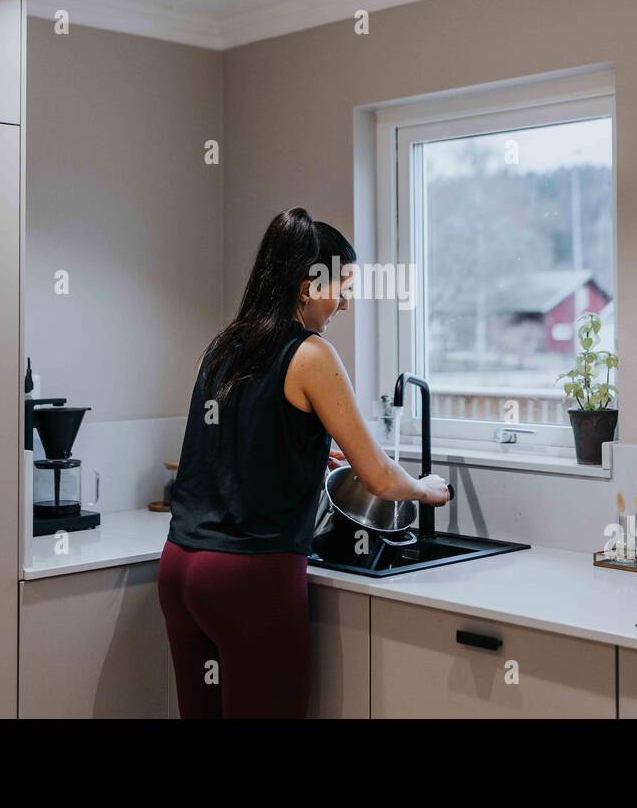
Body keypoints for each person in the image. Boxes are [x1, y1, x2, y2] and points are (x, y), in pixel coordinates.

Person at [158, 207, 450, 718]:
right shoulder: (312, 354)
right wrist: (427, 488)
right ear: (307, 283)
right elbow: (379, 476)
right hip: (248, 580)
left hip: (182, 569)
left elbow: (235, 443)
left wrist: (303, 451)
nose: (345, 301)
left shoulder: (224, 345)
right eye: (342, 285)